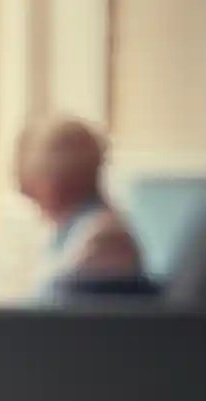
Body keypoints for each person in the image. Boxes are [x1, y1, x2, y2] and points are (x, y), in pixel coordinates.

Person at [12, 115, 145, 300]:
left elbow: (48, 308)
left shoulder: (105, 239)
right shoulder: (68, 231)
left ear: (52, 185)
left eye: (32, 182)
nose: (25, 192)